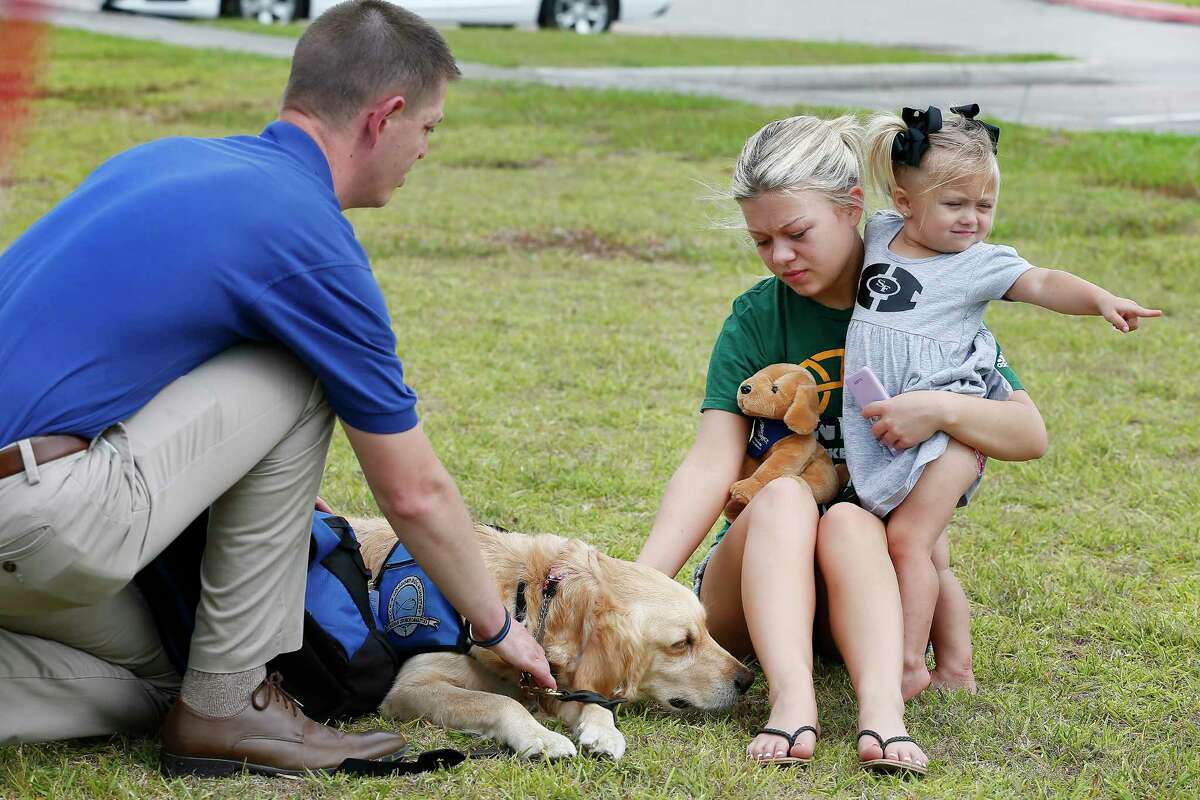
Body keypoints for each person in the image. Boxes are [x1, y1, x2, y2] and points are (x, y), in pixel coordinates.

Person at [0, 0, 553, 776]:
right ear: (383, 116)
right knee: (299, 371)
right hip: (37, 517)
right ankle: (232, 704)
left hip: (26, 523)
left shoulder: (157, 162)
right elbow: (414, 492)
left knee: (161, 678)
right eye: (428, 128)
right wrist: (499, 628)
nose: (425, 150)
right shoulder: (309, 236)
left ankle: (201, 700)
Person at [636, 114, 1051, 774]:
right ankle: (791, 701)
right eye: (761, 240)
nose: (780, 256)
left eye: (796, 234)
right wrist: (641, 584)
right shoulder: (758, 315)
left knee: (854, 522)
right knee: (785, 501)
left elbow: (1028, 433)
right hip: (752, 583)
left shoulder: (923, 307)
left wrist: (940, 407)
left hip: (863, 590)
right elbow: (711, 460)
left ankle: (882, 712)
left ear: (853, 208)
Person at [847, 104, 1161, 699]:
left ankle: (908, 663)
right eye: (955, 204)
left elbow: (1043, 282)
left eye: (984, 205)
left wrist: (1099, 298)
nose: (973, 219)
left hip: (952, 435)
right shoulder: (881, 233)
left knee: (907, 543)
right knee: (932, 555)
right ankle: (957, 668)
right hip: (891, 424)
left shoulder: (979, 264)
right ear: (905, 201)